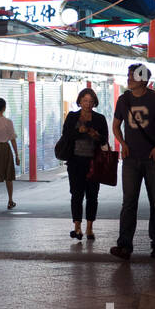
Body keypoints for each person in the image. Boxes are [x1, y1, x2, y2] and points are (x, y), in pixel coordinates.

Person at [110, 63, 155, 260]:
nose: (129, 78)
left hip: (152, 158)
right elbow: (116, 126)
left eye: (132, 76)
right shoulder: (124, 100)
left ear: (144, 80)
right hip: (130, 159)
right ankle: (124, 246)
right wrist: (122, 143)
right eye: (129, 75)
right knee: (129, 202)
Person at [57, 88, 110, 241]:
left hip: (94, 163)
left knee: (93, 196)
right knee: (76, 194)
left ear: (95, 103)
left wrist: (97, 135)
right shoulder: (72, 117)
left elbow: (104, 139)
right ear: (79, 101)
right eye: (85, 100)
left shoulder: (99, 118)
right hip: (75, 162)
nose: (87, 104)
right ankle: (77, 227)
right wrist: (80, 132)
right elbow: (66, 135)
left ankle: (89, 228)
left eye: (90, 101)